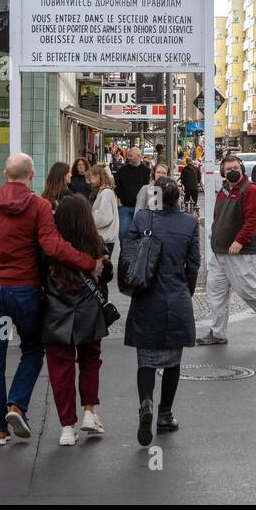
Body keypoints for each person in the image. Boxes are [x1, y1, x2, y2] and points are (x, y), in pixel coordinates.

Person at [0, 152, 101, 446]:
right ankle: (16, 404)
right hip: (25, 291)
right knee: (34, 349)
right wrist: (87, 262)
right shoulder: (38, 206)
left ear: (4, 173)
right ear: (32, 175)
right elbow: (53, 246)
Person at [122, 177, 200, 446]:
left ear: (156, 195)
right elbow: (193, 265)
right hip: (176, 296)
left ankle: (146, 403)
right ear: (179, 197)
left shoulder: (143, 219)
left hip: (146, 296)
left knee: (146, 358)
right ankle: (165, 414)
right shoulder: (189, 223)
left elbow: (128, 252)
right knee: (172, 360)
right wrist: (184, 292)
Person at [198, 154, 256, 346]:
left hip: (241, 252)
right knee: (215, 292)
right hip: (220, 252)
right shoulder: (224, 190)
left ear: (241, 170)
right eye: (228, 169)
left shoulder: (251, 191)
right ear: (223, 172)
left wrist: (239, 241)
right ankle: (217, 332)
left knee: (248, 291)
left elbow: (253, 220)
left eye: (235, 169)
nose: (232, 172)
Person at [43, 194, 110, 445]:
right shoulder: (96, 243)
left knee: (61, 371)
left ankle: (66, 428)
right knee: (90, 361)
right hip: (89, 312)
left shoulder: (49, 246)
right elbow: (107, 276)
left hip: (56, 312)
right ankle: (89, 412)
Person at [87, 164, 119, 293]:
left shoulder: (105, 193)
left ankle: (102, 301)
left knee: (100, 275)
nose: (89, 181)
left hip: (104, 238)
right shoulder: (105, 192)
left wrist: (88, 219)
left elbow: (104, 217)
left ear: (98, 176)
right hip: (105, 237)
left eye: (91, 177)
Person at [114, 147, 151, 241]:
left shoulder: (147, 171)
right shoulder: (122, 170)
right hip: (124, 207)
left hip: (141, 208)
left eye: (131, 156)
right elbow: (116, 185)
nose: (128, 158)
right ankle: (124, 254)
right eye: (128, 156)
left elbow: (150, 188)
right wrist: (118, 200)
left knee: (140, 233)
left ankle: (136, 254)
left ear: (139, 156)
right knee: (123, 232)